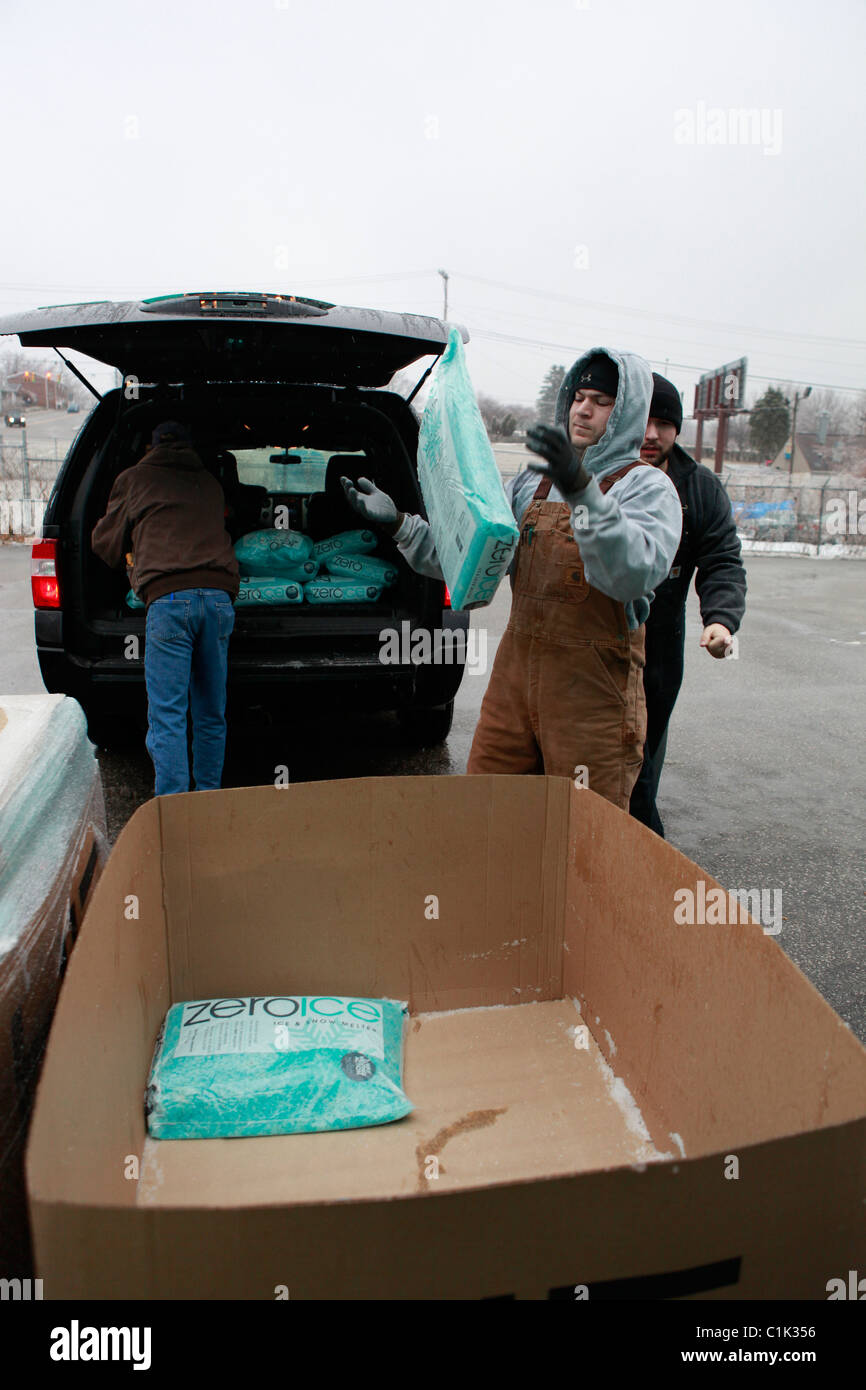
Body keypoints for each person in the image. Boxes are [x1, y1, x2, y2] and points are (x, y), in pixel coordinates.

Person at [342, 348, 682, 809]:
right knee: (488, 815)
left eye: (601, 400)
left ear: (626, 412)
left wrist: (582, 488)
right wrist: (400, 523)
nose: (583, 409)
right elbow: (474, 556)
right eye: (579, 396)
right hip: (513, 687)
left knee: (584, 831)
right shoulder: (531, 483)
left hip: (593, 701)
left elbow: (629, 572)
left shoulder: (645, 487)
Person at [91, 420, 240, 796]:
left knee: (168, 716)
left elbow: (103, 543)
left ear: (150, 448)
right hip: (220, 600)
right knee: (211, 714)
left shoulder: (134, 478)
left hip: (171, 601)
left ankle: (174, 810)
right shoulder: (209, 482)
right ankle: (208, 800)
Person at [629, 374, 747, 836]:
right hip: (590, 643)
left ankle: (637, 863)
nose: (653, 434)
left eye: (665, 423)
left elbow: (722, 560)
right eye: (644, 420)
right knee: (584, 759)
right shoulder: (593, 474)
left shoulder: (699, 489)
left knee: (642, 764)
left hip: (659, 647)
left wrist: (721, 619)